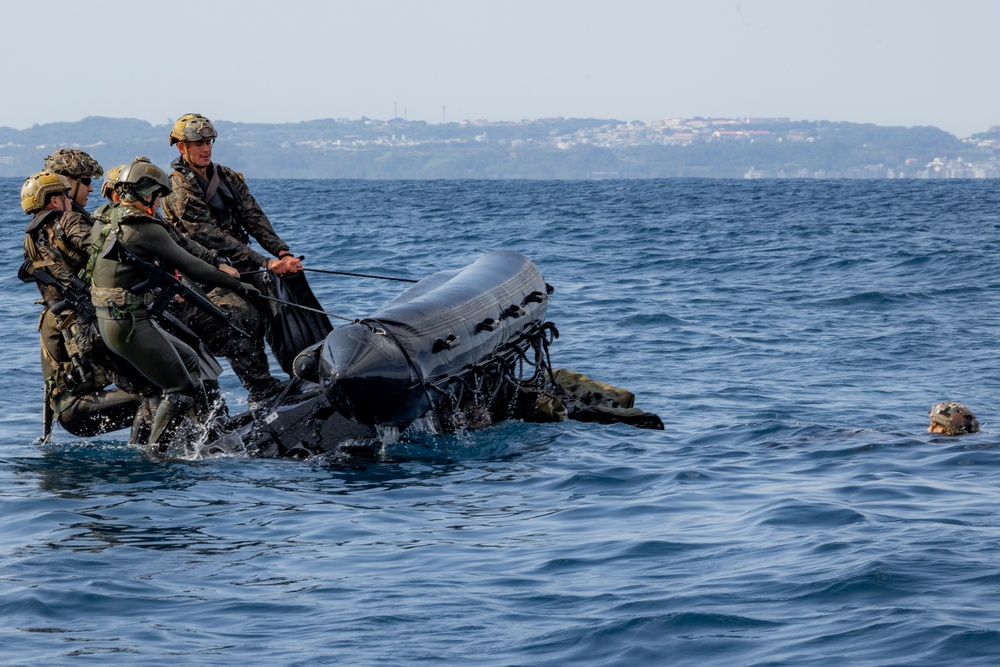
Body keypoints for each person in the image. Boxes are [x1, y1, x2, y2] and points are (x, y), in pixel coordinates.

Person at [89, 157, 253, 451]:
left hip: (113, 319)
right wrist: (241, 286)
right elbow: (193, 267)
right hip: (129, 324)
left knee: (189, 360)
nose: (158, 201)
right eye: (157, 195)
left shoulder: (105, 219)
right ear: (147, 192)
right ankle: (158, 454)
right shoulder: (144, 228)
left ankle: (209, 436)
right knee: (180, 388)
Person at [161, 113, 302, 404]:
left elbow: (254, 218)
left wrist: (282, 253)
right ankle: (260, 390)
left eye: (208, 141)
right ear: (181, 148)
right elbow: (208, 235)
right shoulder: (176, 187)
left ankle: (300, 372)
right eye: (198, 143)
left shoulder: (227, 177)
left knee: (283, 301)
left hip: (240, 266)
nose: (205, 148)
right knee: (242, 317)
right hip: (203, 273)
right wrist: (263, 262)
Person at [20, 170, 152, 439]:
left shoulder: (32, 242)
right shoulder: (67, 220)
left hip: (68, 412)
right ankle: (154, 459)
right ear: (54, 201)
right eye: (66, 195)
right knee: (159, 392)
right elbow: (104, 248)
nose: (72, 201)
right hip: (83, 406)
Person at [43, 148, 103, 222]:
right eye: (87, 181)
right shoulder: (73, 223)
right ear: (67, 181)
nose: (91, 189)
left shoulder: (42, 218)